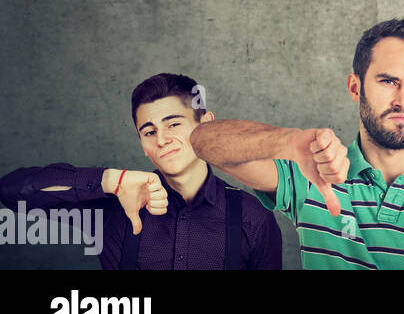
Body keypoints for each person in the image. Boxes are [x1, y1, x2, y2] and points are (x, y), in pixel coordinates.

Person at [191, 18, 404, 269]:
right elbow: (203, 141)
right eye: (388, 81)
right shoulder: (310, 173)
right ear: (355, 87)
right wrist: (286, 142)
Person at [0, 73, 281, 269]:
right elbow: (13, 192)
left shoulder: (252, 217)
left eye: (174, 124)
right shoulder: (114, 208)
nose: (161, 139)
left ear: (206, 126)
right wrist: (110, 180)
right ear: (142, 145)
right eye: (149, 131)